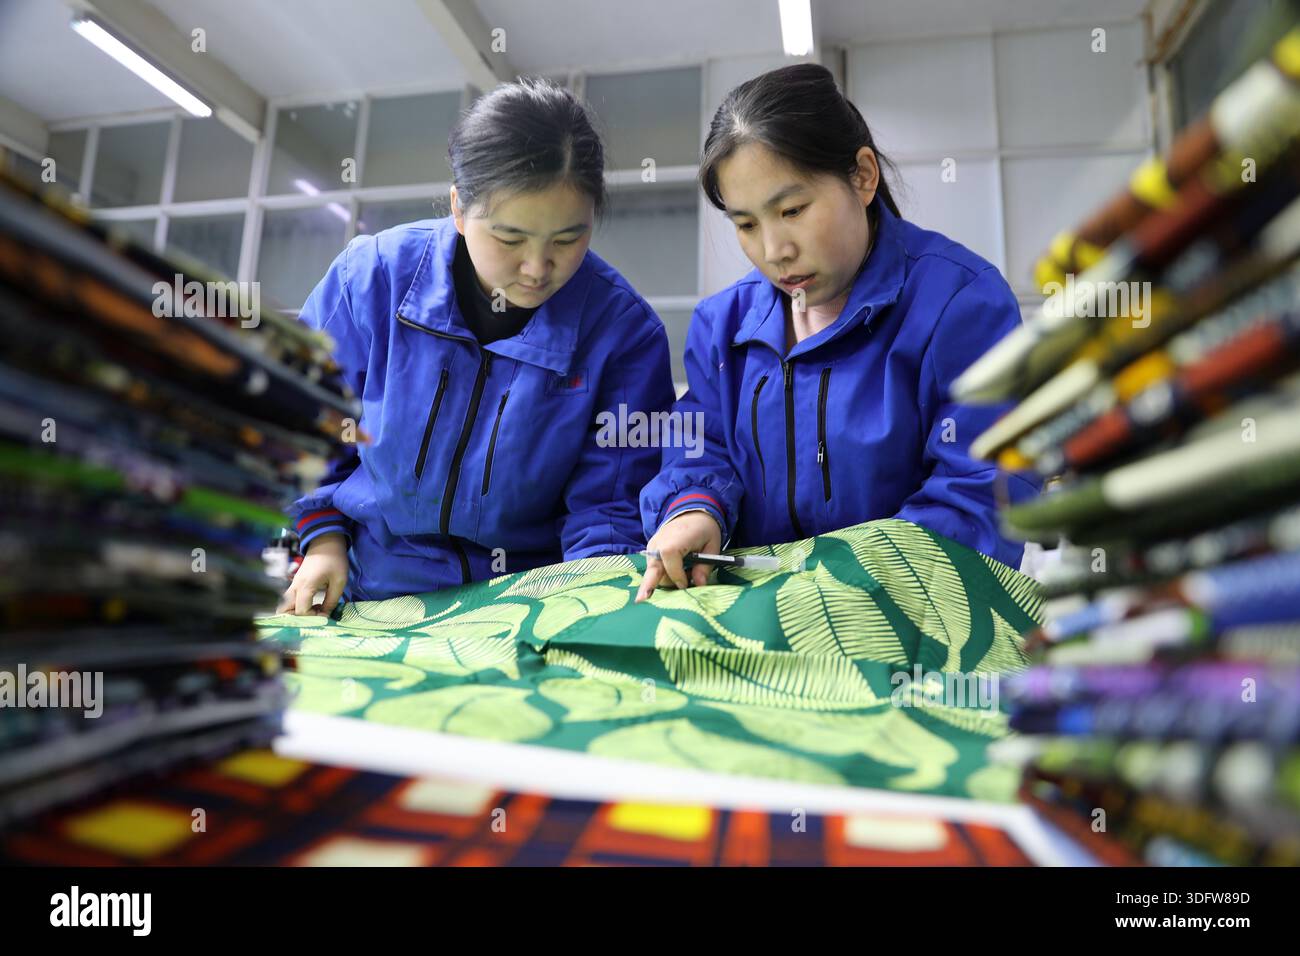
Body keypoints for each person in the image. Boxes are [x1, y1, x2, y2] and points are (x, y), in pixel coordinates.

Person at [636, 64, 1041, 601]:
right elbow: (701, 447)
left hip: (909, 622)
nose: (774, 250)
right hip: (758, 622)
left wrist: (842, 588)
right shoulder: (721, 327)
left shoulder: (961, 304)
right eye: (746, 224)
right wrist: (693, 510)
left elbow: (983, 493)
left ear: (863, 176)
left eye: (792, 210)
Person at [278, 78, 675, 615]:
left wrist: (593, 603)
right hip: (366, 584)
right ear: (459, 209)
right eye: (510, 239)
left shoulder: (622, 334)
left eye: (567, 239)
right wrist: (322, 535)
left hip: (527, 602)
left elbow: (607, 509)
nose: (538, 268)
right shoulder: (370, 279)